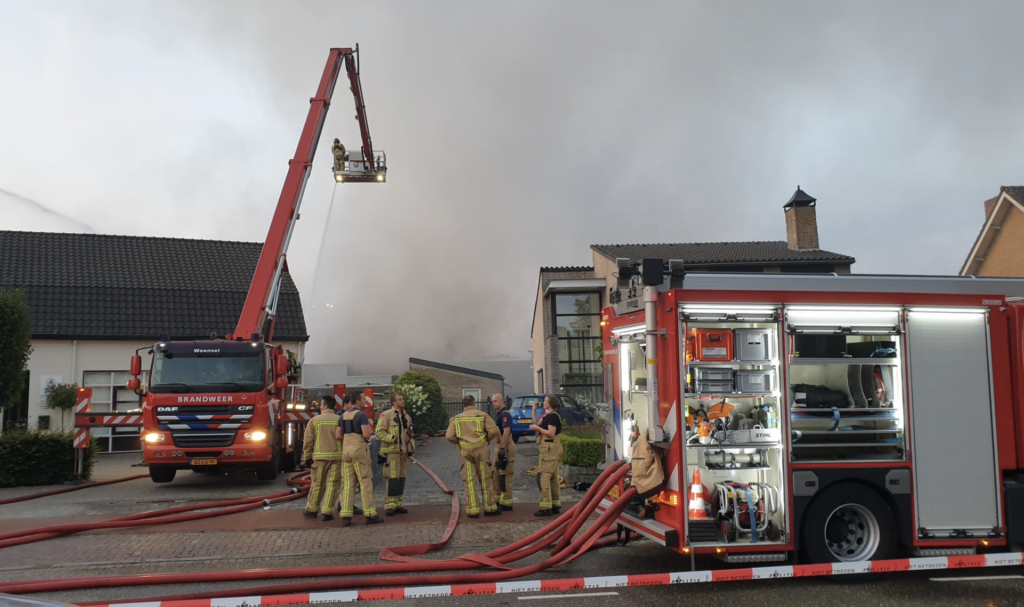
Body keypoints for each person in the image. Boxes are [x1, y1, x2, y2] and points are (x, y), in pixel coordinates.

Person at [445, 394, 501, 518]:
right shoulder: (482, 415)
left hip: (466, 452)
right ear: (474, 403)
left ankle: (473, 511)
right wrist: (486, 440)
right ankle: (490, 508)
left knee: (470, 481)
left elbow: (449, 436)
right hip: (481, 450)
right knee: (486, 479)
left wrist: (459, 442)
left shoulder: (456, 419)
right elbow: (494, 431)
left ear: (463, 405)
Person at [336, 393, 383, 526]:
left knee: (347, 484)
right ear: (357, 401)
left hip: (346, 452)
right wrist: (369, 434)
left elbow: (337, 435)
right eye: (363, 399)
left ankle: (345, 514)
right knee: (365, 482)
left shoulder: (343, 415)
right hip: (359, 451)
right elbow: (367, 434)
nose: (365, 401)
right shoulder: (361, 415)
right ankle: (370, 514)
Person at [301, 398, 343, 521]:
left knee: (317, 484)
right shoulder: (339, 420)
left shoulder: (314, 421)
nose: (320, 406)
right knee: (332, 484)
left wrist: (307, 457)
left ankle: (311, 510)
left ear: (324, 405)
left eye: (321, 404)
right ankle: (327, 512)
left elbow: (308, 441)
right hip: (336, 458)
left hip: (319, 459)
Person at [376, 393, 415, 516]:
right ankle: (389, 504)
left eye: (403, 399)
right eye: (400, 399)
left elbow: (409, 433)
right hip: (391, 453)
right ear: (394, 402)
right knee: (392, 477)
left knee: (401, 477)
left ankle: (398, 503)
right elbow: (379, 431)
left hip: (403, 453)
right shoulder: (386, 415)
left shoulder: (407, 417)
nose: (402, 401)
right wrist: (392, 439)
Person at [529, 394, 563, 517]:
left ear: (549, 404)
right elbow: (537, 421)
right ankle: (555, 505)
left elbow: (551, 433)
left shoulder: (553, 417)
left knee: (544, 478)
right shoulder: (548, 416)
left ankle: (545, 507)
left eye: (545, 401)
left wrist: (537, 428)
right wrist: (534, 410)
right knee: (553, 477)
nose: (543, 403)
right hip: (549, 450)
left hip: (549, 450)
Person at [490, 393, 515, 511]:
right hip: (499, 446)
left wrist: (502, 448)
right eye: (492, 401)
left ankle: (507, 502)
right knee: (496, 474)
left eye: (495, 401)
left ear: (502, 401)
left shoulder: (505, 414)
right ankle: (498, 499)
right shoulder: (499, 414)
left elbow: (506, 431)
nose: (493, 403)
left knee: (506, 474)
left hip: (505, 447)